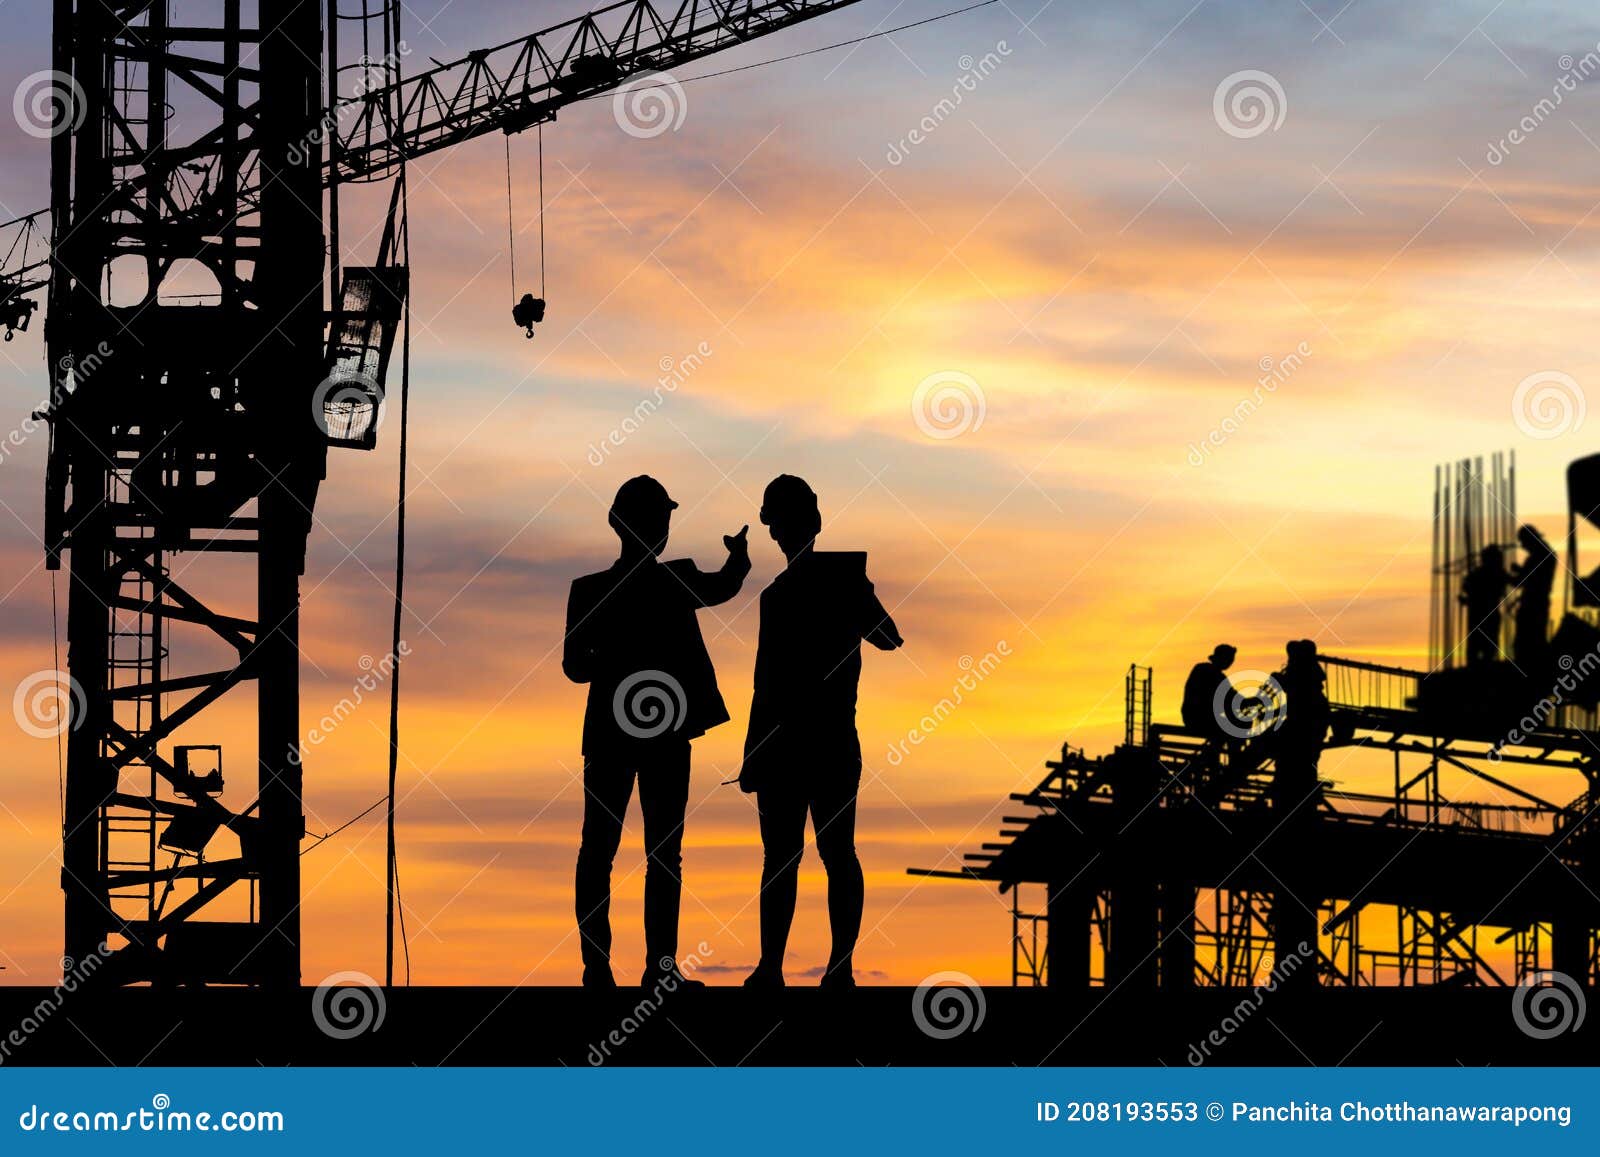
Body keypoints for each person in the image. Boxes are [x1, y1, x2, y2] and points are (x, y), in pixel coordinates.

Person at [563, 475, 750, 989]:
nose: (662, 528)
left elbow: (577, 667)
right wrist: (738, 560)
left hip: (633, 736)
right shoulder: (654, 584)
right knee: (635, 851)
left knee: (622, 849)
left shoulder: (629, 585)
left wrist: (737, 561)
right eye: (657, 519)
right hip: (638, 736)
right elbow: (575, 665)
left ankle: (629, 970)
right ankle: (620, 970)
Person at [739, 475, 903, 989]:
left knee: (807, 855)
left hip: (811, 743)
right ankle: (808, 968)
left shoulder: (826, 583)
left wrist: (855, 593)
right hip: (812, 744)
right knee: (818, 854)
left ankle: (821, 968)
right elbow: (765, 683)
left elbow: (887, 637)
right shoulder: (785, 593)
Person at [1181, 644, 1248, 742]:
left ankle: (1215, 750)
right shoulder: (1209, 672)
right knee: (1239, 724)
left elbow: (1232, 696)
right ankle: (1233, 754)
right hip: (1199, 718)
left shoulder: (1205, 670)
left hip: (1194, 717)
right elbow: (1231, 697)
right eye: (1229, 659)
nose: (1230, 663)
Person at [1510, 525, 1555, 668]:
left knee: (1525, 644)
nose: (1523, 546)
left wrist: (1501, 574)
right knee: (1537, 641)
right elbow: (1530, 577)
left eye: (1523, 542)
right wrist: (1521, 570)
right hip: (1540, 604)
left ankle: (1529, 674)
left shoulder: (1537, 557)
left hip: (1532, 607)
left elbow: (1520, 582)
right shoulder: (1547, 555)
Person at [1460, 545, 1509, 666]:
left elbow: (1468, 589)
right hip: (1488, 615)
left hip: (1479, 616)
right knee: (1486, 647)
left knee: (1478, 648)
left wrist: (1466, 598)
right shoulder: (1499, 573)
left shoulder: (1481, 573)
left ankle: (1479, 671)